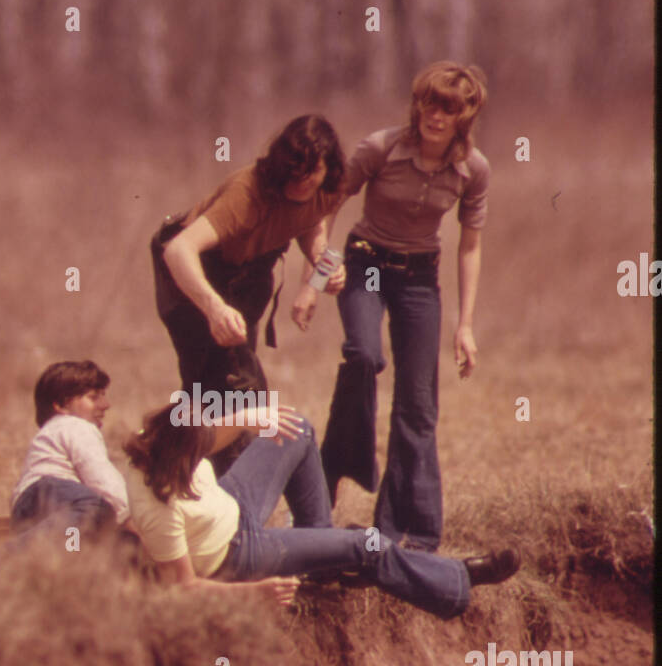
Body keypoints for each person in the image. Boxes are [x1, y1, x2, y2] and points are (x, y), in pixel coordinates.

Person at [314, 62, 489, 552]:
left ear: (465, 115)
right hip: (366, 263)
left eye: (448, 109)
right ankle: (333, 475)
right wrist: (317, 275)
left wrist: (466, 326)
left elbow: (470, 247)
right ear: (417, 105)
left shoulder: (473, 169)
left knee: (418, 405)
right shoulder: (380, 147)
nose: (435, 117)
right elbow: (329, 204)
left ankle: (404, 532)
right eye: (429, 104)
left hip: (419, 277)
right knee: (364, 356)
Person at [123, 400, 519, 616]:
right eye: (197, 454)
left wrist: (246, 418)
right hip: (237, 553)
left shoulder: (153, 439)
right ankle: (455, 581)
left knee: (295, 427)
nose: (205, 456)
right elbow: (182, 588)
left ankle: (321, 558)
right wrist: (254, 594)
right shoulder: (158, 510)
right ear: (177, 460)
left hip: (232, 501)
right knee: (366, 543)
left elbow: (201, 437)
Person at [151, 115, 348, 467]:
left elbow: (313, 228)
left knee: (233, 380)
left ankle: (190, 471)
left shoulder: (330, 187)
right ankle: (180, 475)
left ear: (327, 169)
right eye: (294, 170)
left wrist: (319, 276)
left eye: (312, 173)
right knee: (225, 382)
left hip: (247, 271)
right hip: (194, 266)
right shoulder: (248, 192)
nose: (302, 181)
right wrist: (214, 309)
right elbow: (178, 251)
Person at [10, 360, 131, 539]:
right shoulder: (74, 425)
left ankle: (45, 554)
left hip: (40, 512)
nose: (106, 404)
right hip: (49, 494)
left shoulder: (55, 430)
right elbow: (103, 480)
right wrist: (130, 519)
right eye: (94, 397)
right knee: (97, 508)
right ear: (62, 405)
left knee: (94, 542)